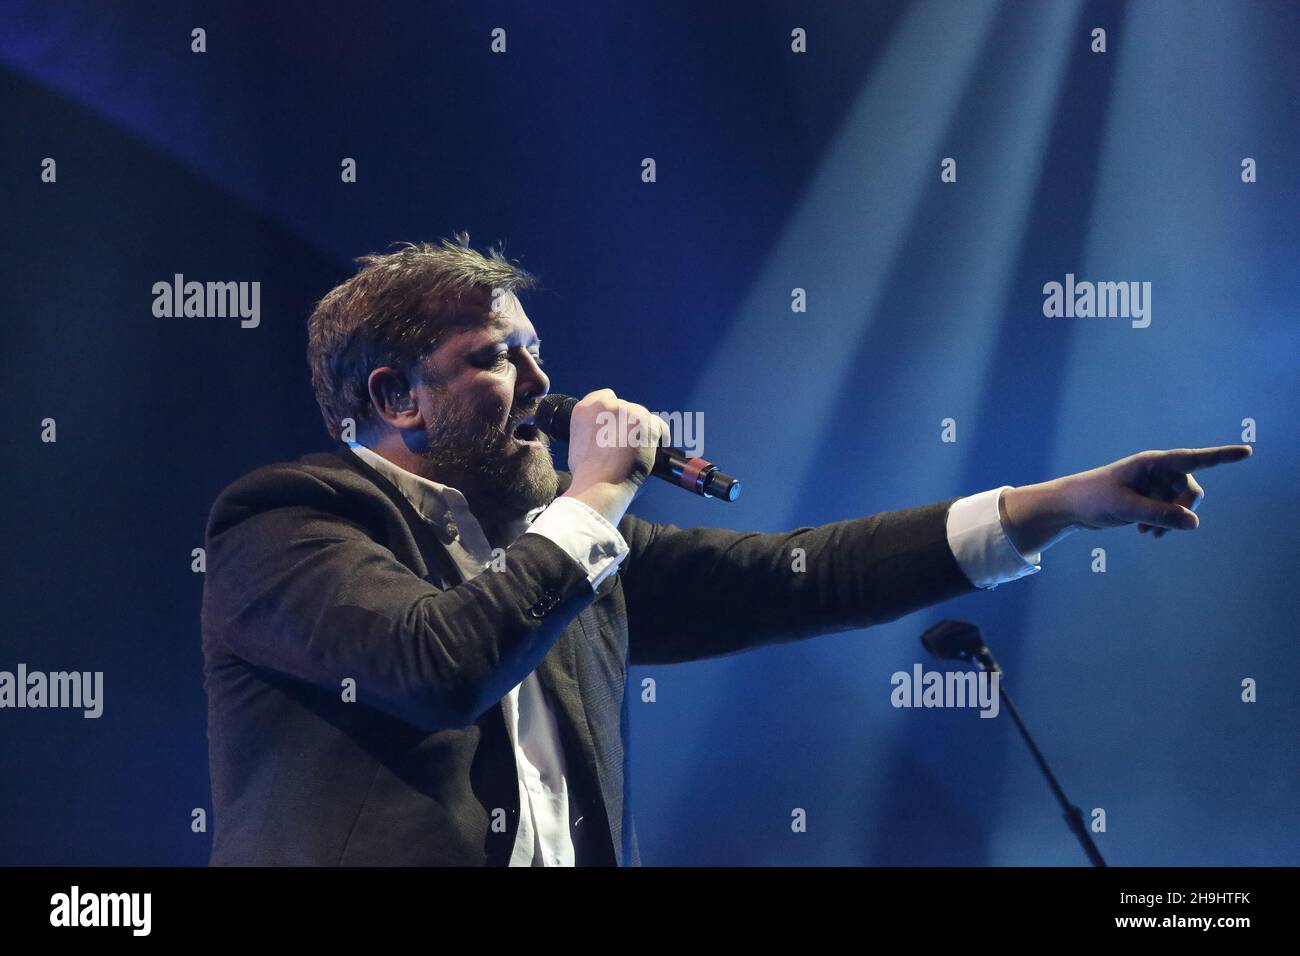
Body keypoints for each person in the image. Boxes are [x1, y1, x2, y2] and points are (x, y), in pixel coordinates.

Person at [200, 234, 1251, 866]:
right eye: (492, 358)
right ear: (394, 395)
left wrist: (1056, 501)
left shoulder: (563, 548)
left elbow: (809, 573)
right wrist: (597, 492)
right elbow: (437, 669)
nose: (538, 380)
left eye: (531, 348)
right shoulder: (286, 523)